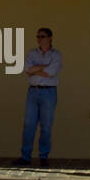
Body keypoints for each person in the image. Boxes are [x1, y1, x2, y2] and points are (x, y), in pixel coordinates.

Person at [15, 27, 61, 167]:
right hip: (33, 91)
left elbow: (51, 72)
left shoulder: (56, 54)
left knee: (46, 126)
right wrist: (43, 67)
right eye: (38, 36)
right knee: (28, 125)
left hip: (49, 92)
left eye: (42, 36)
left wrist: (36, 69)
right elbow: (27, 69)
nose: (39, 39)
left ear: (50, 38)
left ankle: (44, 156)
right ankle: (25, 156)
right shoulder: (32, 53)